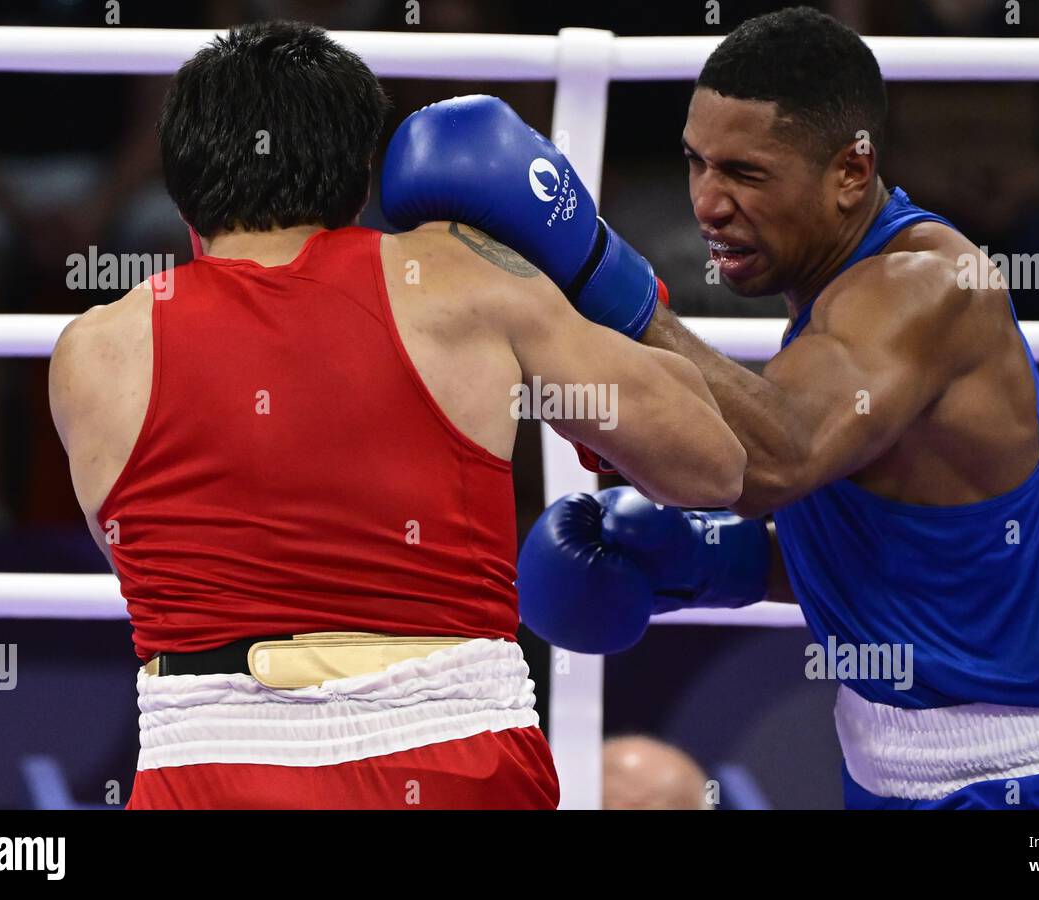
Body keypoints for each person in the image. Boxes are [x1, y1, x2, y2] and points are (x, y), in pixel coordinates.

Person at [384, 7, 1039, 809]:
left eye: (746, 174)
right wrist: (713, 560)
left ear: (851, 173)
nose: (708, 203)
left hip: (1036, 785)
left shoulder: (921, 288)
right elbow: (911, 551)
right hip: (897, 772)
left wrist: (599, 274)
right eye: (696, 164)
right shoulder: (836, 296)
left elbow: (775, 457)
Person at [47, 20, 746, 810]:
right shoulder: (457, 282)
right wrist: (591, 265)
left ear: (181, 192)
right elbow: (713, 463)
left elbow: (159, 567)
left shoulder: (94, 354)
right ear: (358, 180)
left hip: (207, 770)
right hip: (451, 760)